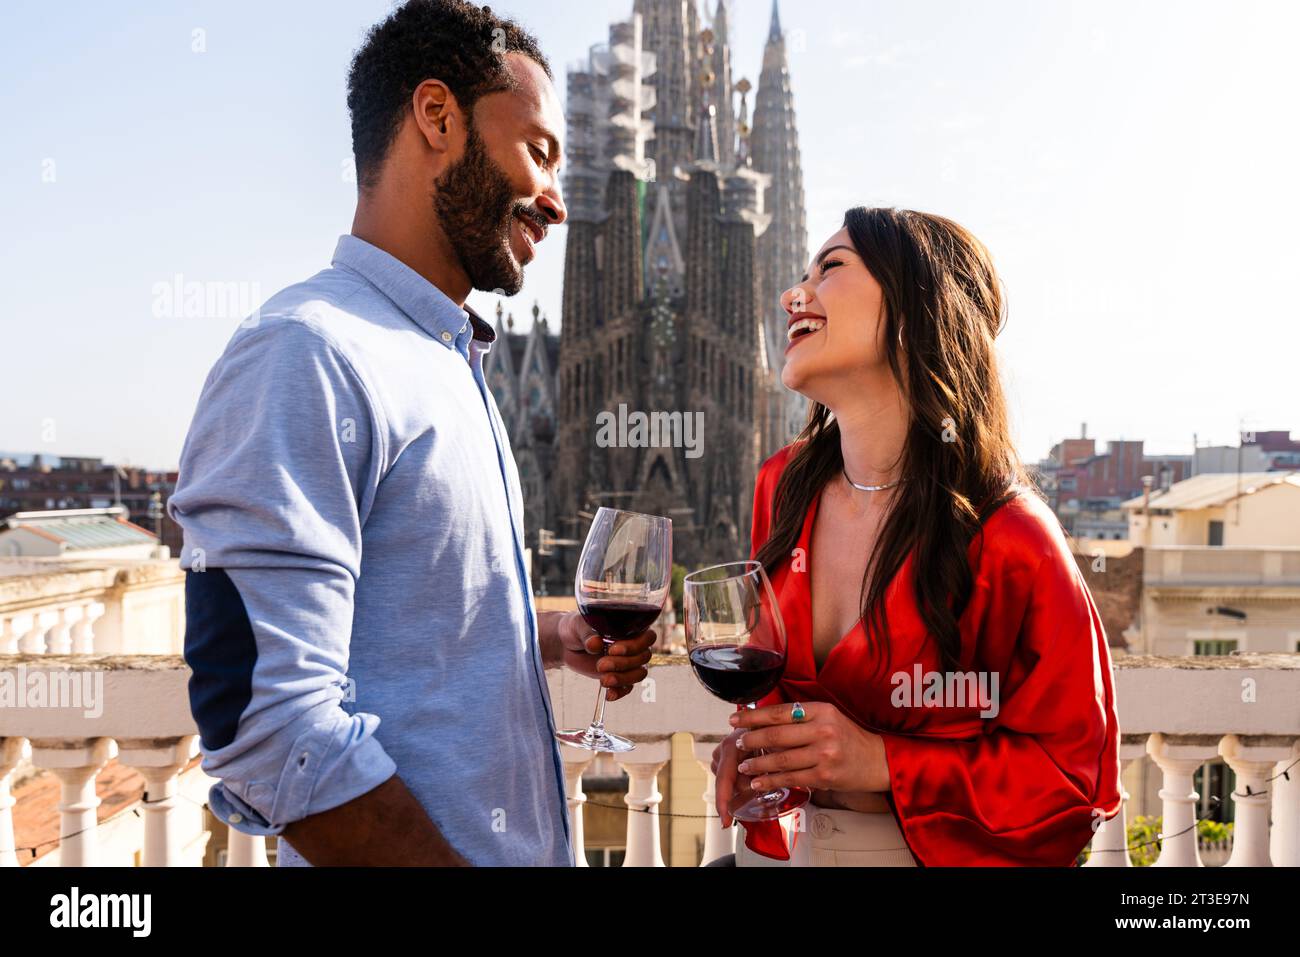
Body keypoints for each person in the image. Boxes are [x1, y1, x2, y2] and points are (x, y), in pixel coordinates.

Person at [167, 0, 654, 867]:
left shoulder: (444, 360)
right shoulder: (307, 351)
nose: (557, 201)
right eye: (540, 151)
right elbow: (266, 722)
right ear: (437, 116)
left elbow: (400, 613)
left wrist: (542, 634)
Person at [709, 207, 1124, 866]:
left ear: (913, 308)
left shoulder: (1010, 533)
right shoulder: (780, 486)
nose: (794, 294)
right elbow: (777, 694)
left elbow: (1072, 782)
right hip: (782, 853)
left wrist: (883, 762)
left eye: (832, 267)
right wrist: (767, 750)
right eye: (801, 274)